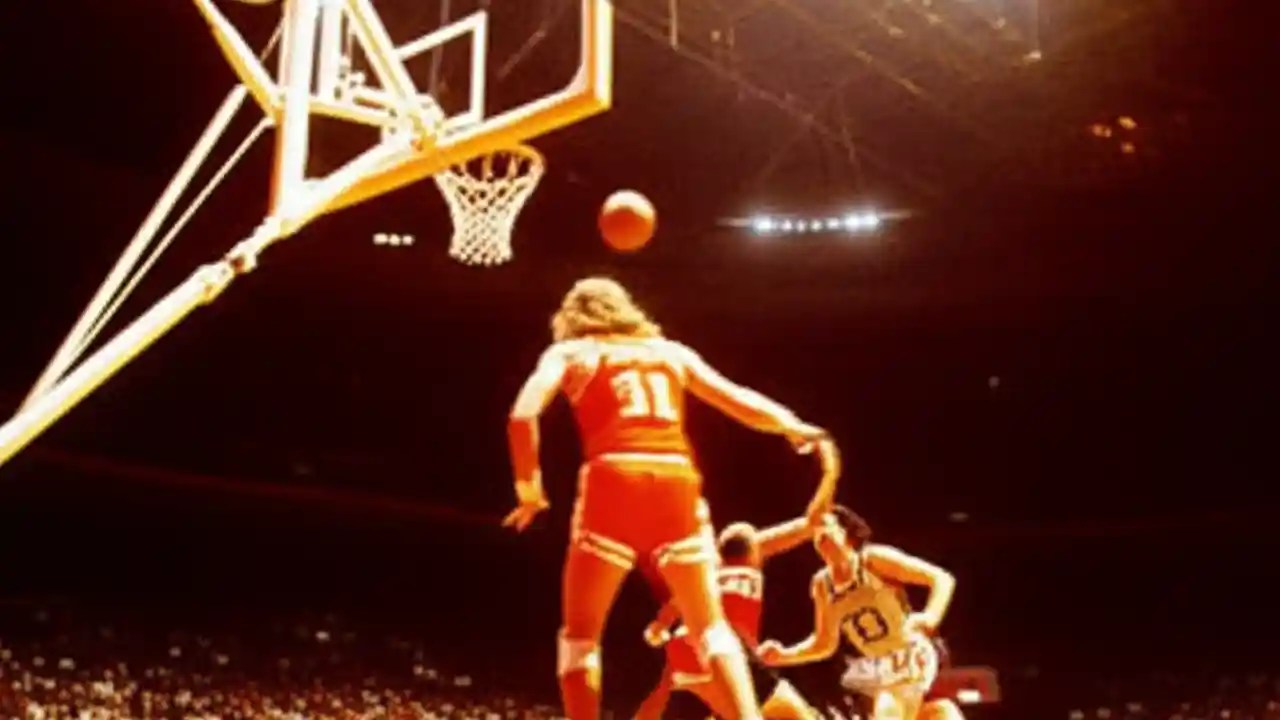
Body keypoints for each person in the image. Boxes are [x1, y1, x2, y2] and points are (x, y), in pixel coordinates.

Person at [503, 277, 832, 720]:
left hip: (613, 476)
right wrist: (793, 425)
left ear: (572, 318)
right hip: (676, 478)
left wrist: (530, 491)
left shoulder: (571, 353)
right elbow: (736, 399)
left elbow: (521, 416)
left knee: (580, 637)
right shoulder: (669, 353)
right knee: (710, 626)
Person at [634, 438, 839, 720]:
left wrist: (659, 626)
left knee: (664, 693)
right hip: (728, 649)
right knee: (797, 716)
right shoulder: (752, 551)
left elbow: (673, 608)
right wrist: (830, 470)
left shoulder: (707, 569)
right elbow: (812, 521)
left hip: (686, 649)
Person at [757, 507, 963, 720]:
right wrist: (784, 656)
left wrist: (930, 616)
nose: (819, 534)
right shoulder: (822, 585)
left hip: (908, 654)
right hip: (877, 666)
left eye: (825, 527)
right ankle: (943, 712)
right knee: (929, 714)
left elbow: (941, 579)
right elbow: (825, 643)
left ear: (845, 532)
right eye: (814, 532)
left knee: (889, 714)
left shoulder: (874, 560)